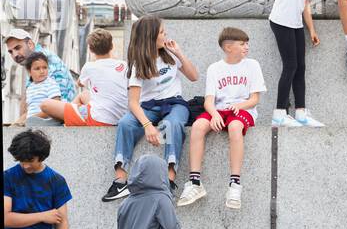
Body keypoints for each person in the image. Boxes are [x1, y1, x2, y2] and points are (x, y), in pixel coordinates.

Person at [105, 17, 199, 203]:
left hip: (175, 104)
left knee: (172, 124)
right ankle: (120, 180)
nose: (166, 35)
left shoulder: (170, 55)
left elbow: (194, 76)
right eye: (162, 32)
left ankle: (169, 180)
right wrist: (148, 126)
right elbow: (133, 103)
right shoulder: (138, 64)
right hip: (149, 106)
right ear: (150, 37)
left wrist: (179, 53)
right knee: (125, 123)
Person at [178, 28, 266, 211]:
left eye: (247, 43)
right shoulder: (215, 68)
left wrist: (239, 106)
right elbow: (209, 101)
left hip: (242, 110)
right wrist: (216, 114)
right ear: (228, 47)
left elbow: (255, 99)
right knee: (198, 126)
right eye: (242, 44)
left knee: (234, 127)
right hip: (219, 110)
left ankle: (235, 185)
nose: (246, 47)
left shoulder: (252, 65)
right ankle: (195, 183)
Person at [268, 0, 326, 128]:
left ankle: (301, 112)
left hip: (295, 23)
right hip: (281, 20)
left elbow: (305, 2)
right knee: (290, 65)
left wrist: (311, 29)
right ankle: (279, 113)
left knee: (300, 67)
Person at [40, 29, 128, 128]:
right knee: (84, 94)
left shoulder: (89, 67)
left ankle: (63, 119)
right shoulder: (124, 65)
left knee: (45, 104)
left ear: (90, 49)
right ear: (112, 46)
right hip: (121, 116)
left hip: (99, 119)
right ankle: (67, 118)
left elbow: (79, 83)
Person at [4, 31, 75, 106]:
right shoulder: (36, 61)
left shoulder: (43, 60)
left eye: (18, 48)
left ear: (30, 44)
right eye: (11, 52)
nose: (15, 55)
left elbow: (59, 103)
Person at [18, 55, 62, 126]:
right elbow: (29, 110)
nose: (42, 71)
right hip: (32, 121)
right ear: (29, 71)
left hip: (48, 120)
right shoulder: (30, 88)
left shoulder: (51, 83)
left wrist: (32, 119)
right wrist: (19, 122)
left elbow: (56, 107)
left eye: (45, 67)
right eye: (37, 69)